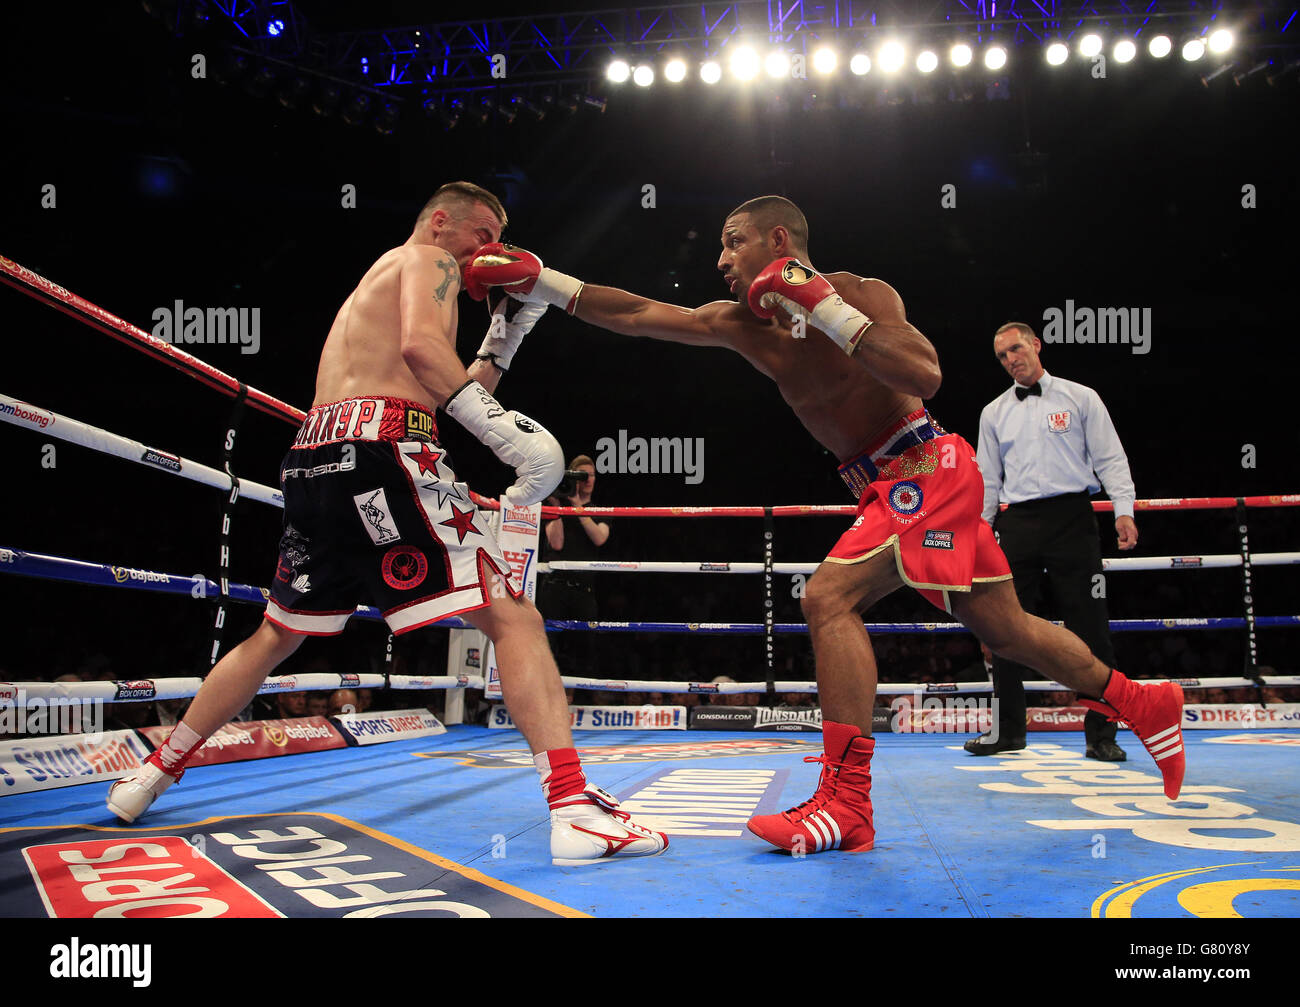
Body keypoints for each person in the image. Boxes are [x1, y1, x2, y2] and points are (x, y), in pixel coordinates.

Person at [463, 195, 1186, 855]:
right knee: (1009, 631)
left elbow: (925, 374)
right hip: (883, 484)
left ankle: (846, 803)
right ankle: (1145, 702)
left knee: (825, 598)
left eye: (733, 241)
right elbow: (636, 313)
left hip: (926, 467)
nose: (719, 259)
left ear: (778, 240)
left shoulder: (864, 292)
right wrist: (546, 281)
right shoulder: (741, 323)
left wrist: (829, 307)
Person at [107, 181, 667, 867]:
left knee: (276, 634)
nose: (491, 253)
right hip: (382, 449)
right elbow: (422, 358)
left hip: (315, 458)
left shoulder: (381, 279)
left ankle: (151, 773)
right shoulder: (427, 260)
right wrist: (507, 440)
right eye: (483, 236)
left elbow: (444, 388)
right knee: (513, 616)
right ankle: (574, 808)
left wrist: (506, 334)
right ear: (440, 223)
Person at [967, 322, 1137, 761]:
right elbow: (988, 479)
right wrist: (982, 534)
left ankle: (1102, 734)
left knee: (1090, 626)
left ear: (1036, 345)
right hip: (1017, 524)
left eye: (1016, 349)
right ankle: (1007, 732)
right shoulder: (994, 412)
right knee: (1003, 628)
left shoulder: (1081, 397)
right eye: (1002, 356)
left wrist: (1123, 510)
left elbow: (1110, 457)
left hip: (1072, 520)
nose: (1011, 360)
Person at [538, 453, 607, 678]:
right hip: (555, 586)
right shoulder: (557, 507)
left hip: (583, 590)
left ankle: (580, 699)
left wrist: (578, 507)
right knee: (549, 647)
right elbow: (556, 544)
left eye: (591, 475)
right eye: (582, 475)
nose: (588, 479)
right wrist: (558, 507)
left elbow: (599, 538)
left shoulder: (600, 510)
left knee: (585, 650)